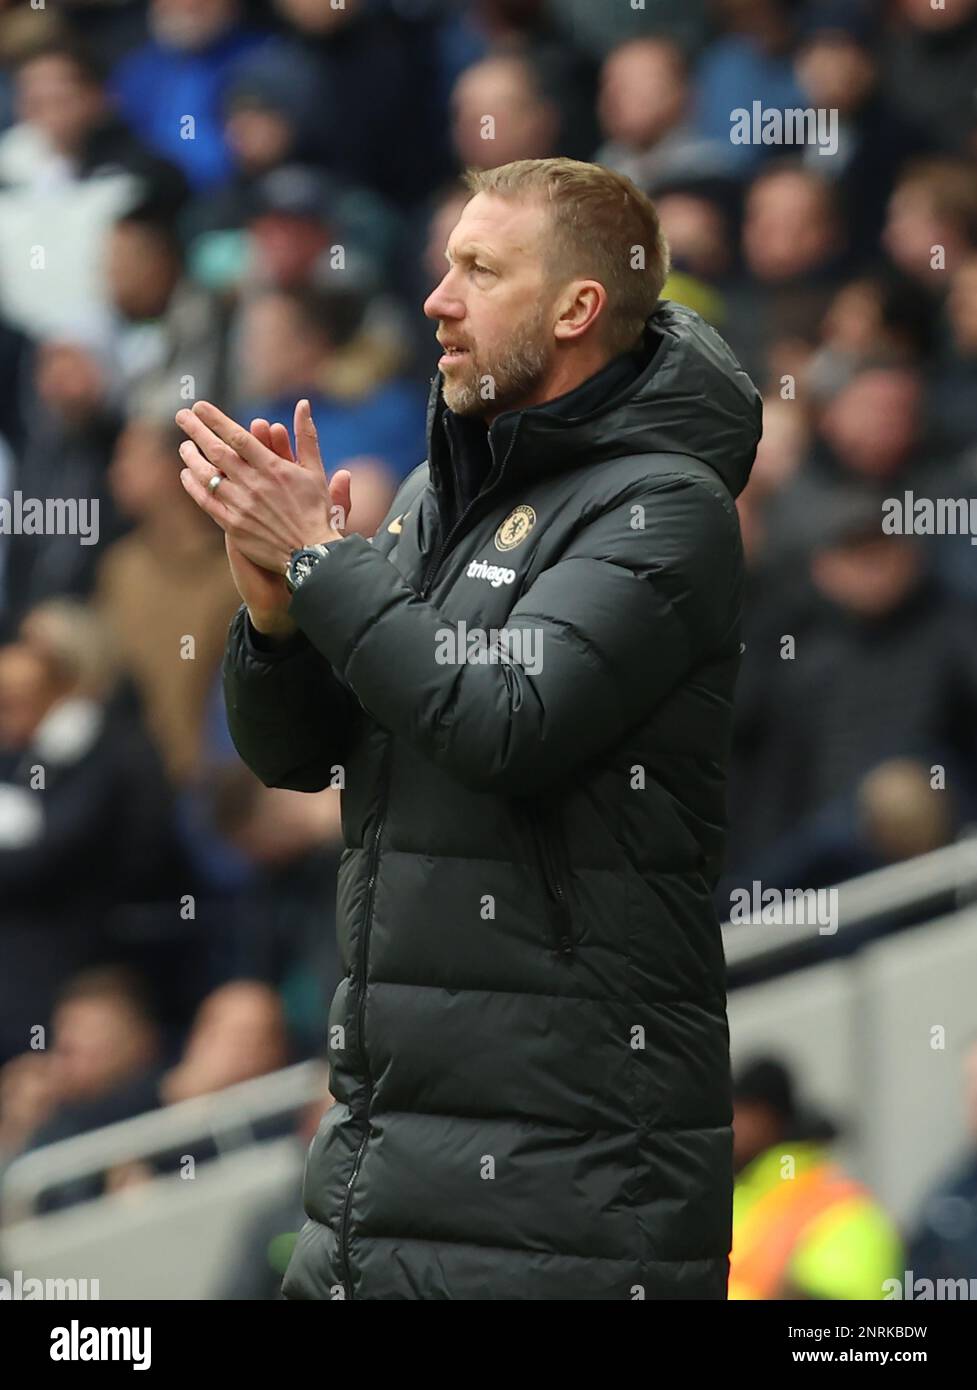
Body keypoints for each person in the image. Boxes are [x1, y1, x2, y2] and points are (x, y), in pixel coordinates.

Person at [177, 156, 762, 1300]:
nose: (436, 298)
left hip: (570, 1190)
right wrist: (276, 608)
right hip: (379, 1160)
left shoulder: (666, 507)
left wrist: (321, 562)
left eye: (477, 269)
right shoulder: (428, 498)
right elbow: (299, 755)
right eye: (444, 263)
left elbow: (504, 718)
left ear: (575, 308)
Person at [729, 1057, 904, 1299]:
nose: (727, 1129)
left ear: (764, 1117)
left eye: (735, 1113)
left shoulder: (844, 1208)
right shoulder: (739, 1197)